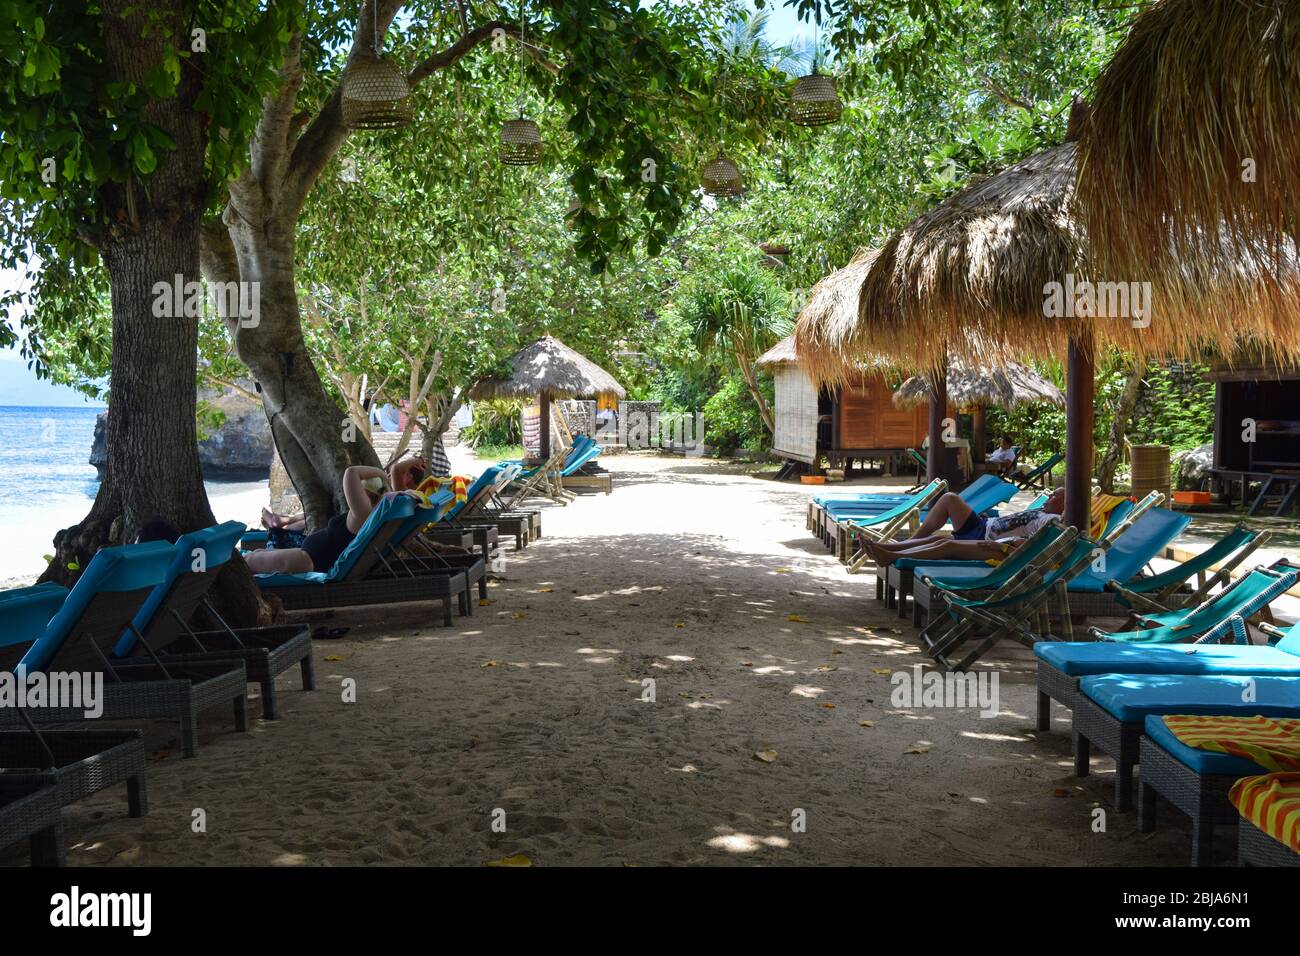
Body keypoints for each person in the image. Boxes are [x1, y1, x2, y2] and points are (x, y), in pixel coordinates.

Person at [246, 465, 419, 575]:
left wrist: (379, 473)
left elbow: (351, 472)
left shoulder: (363, 513)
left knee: (248, 562)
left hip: (310, 560)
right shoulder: (375, 515)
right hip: (310, 556)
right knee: (256, 554)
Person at [857, 487, 1066, 566]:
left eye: (1055, 495)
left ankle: (892, 555)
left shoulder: (1050, 520)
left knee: (944, 542)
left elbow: (1037, 545)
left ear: (1064, 505)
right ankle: (887, 548)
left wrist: (1005, 542)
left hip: (991, 543)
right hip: (983, 525)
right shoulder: (1043, 511)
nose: (1049, 496)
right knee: (949, 498)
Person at [260, 457, 427, 533]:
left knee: (330, 516)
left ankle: (282, 526)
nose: (400, 473)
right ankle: (283, 521)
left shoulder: (402, 496)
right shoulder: (404, 499)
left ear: (409, 477)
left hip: (348, 527)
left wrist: (416, 461)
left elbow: (395, 469)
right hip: (355, 522)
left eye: (406, 472)